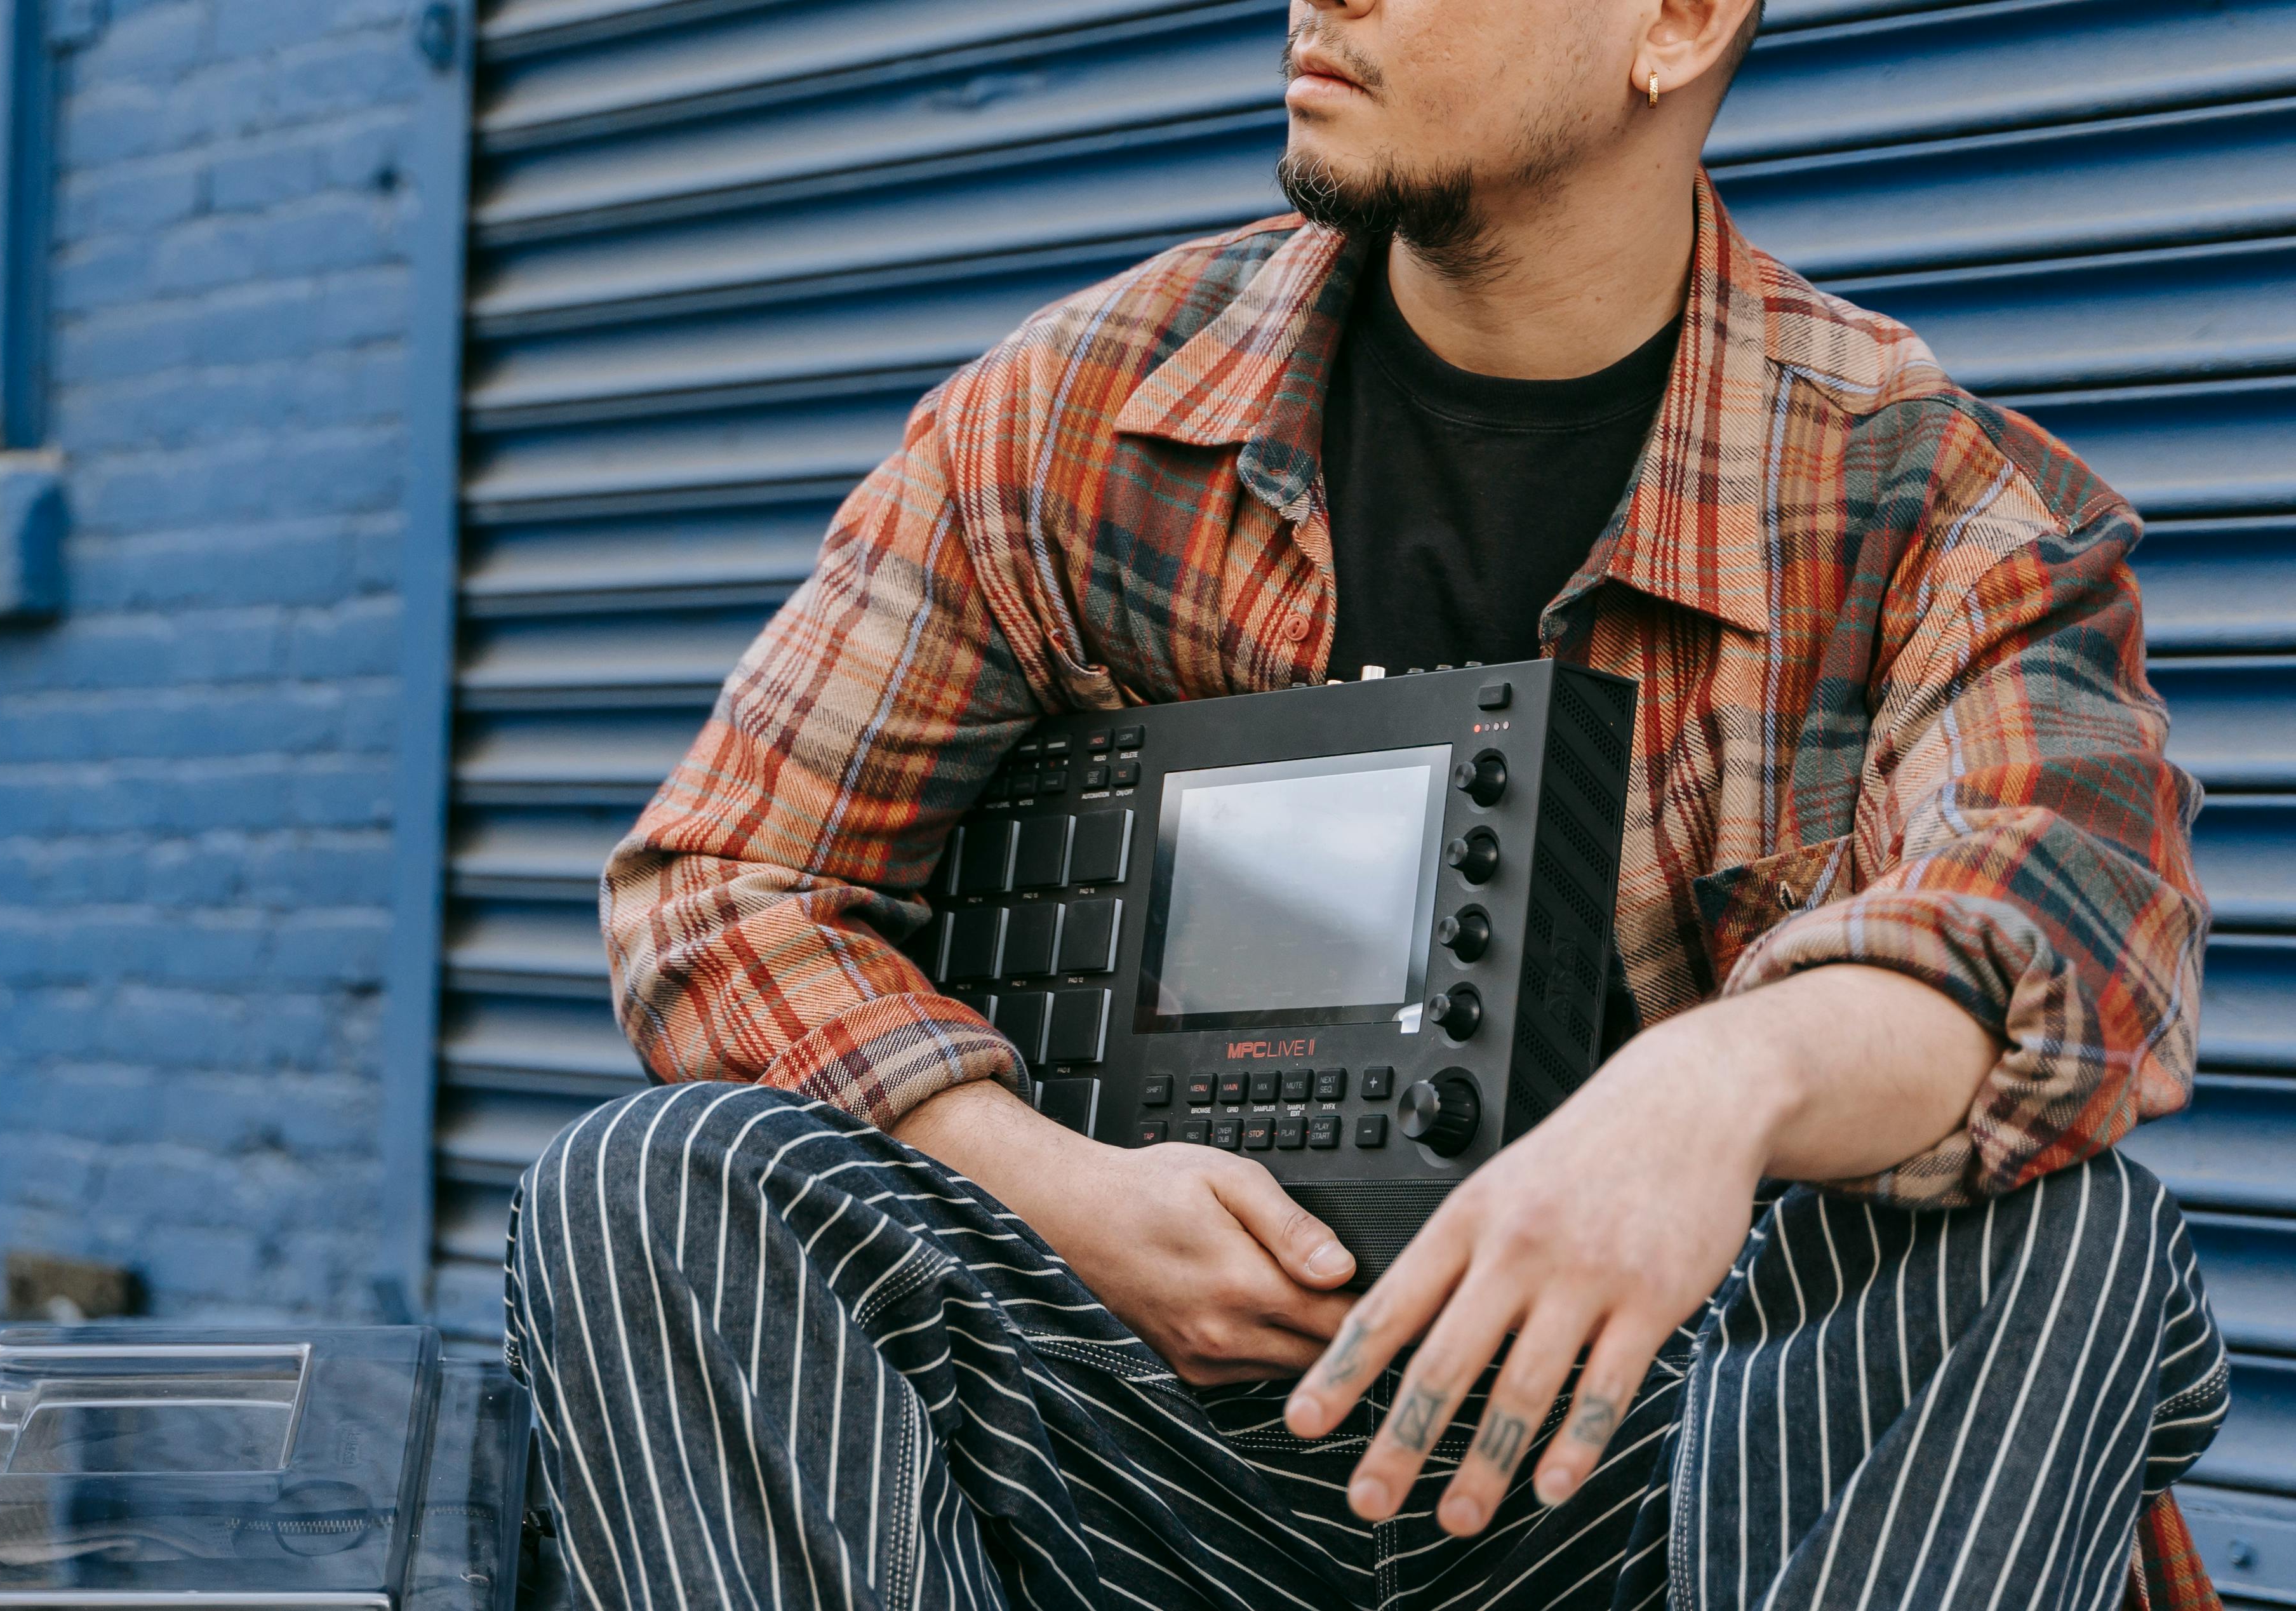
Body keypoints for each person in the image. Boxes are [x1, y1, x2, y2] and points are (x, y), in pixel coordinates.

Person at [504, 0, 2231, 1605]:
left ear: (1681, 21)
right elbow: (723, 879)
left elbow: (2053, 941)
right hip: (1149, 1424)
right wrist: (1049, 1186)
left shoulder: (1934, 504)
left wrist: (1715, 1088)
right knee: (652, 1183)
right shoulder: (1083, 412)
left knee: (2074, 1238)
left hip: (1656, 1454)